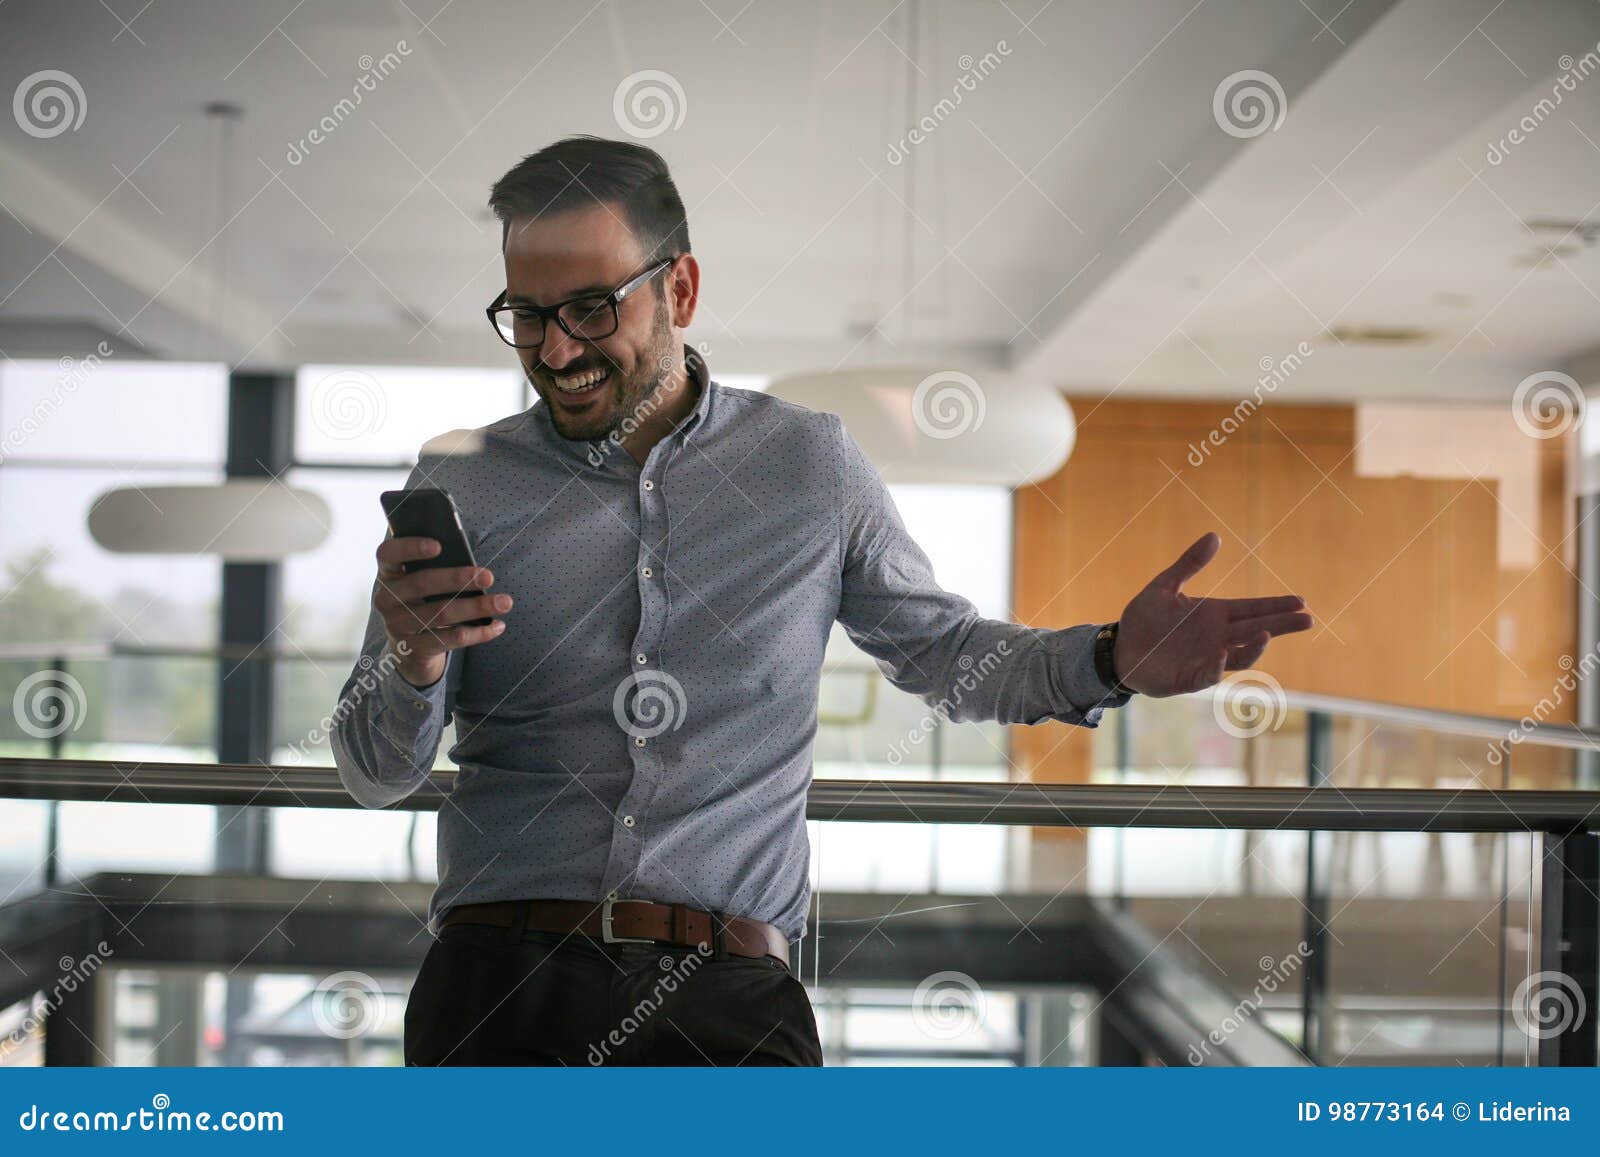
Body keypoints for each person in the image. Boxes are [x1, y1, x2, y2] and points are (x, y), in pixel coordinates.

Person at [330, 135, 1313, 1067]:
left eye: (591, 308)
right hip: (498, 993)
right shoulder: (465, 483)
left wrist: (1109, 657)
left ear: (680, 286)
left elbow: (951, 656)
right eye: (529, 315)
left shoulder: (809, 465)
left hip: (731, 1006)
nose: (553, 350)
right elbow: (375, 768)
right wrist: (412, 663)